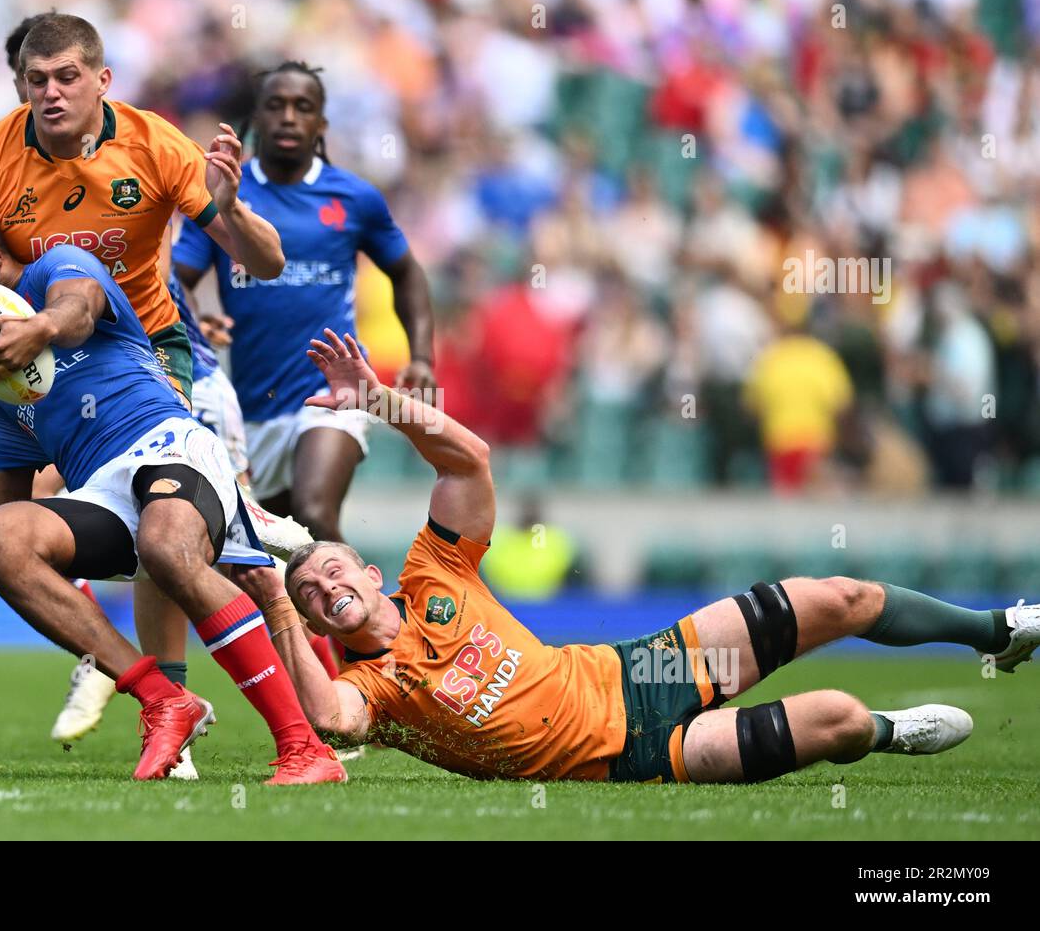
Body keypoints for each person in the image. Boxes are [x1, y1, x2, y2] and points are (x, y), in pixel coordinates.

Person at [0, 13, 289, 777]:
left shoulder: (157, 145)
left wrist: (228, 208)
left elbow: (266, 263)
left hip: (142, 341)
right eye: (36, 81)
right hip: (34, 344)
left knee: (161, 534)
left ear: (103, 81)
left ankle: (200, 683)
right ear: (20, 87)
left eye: (68, 77)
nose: (52, 93)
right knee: (30, 520)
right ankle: (171, 680)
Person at [265, 328, 1040, 783]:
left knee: (842, 597)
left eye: (332, 569)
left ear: (369, 573)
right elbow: (331, 720)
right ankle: (890, 730)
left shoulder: (431, 571)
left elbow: (468, 460)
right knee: (838, 720)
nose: (324, 587)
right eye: (309, 595)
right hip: (634, 755)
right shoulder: (372, 688)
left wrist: (381, 400)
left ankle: (996, 630)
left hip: (637, 668)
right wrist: (274, 602)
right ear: (314, 622)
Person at [0, 199, 345, 785]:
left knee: (168, 547)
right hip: (104, 495)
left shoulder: (57, 268)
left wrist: (36, 328)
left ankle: (305, 749)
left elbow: (80, 308)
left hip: (172, 447)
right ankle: (163, 698)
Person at [174, 61, 435, 543]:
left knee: (314, 511)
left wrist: (421, 355)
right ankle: (309, 619)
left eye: (303, 107)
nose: (289, 117)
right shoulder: (222, 195)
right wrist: (197, 317)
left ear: (321, 125)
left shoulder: (354, 197)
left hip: (333, 392)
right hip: (252, 407)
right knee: (278, 548)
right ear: (257, 117)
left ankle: (362, 616)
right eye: (276, 106)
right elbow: (177, 276)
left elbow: (406, 272)